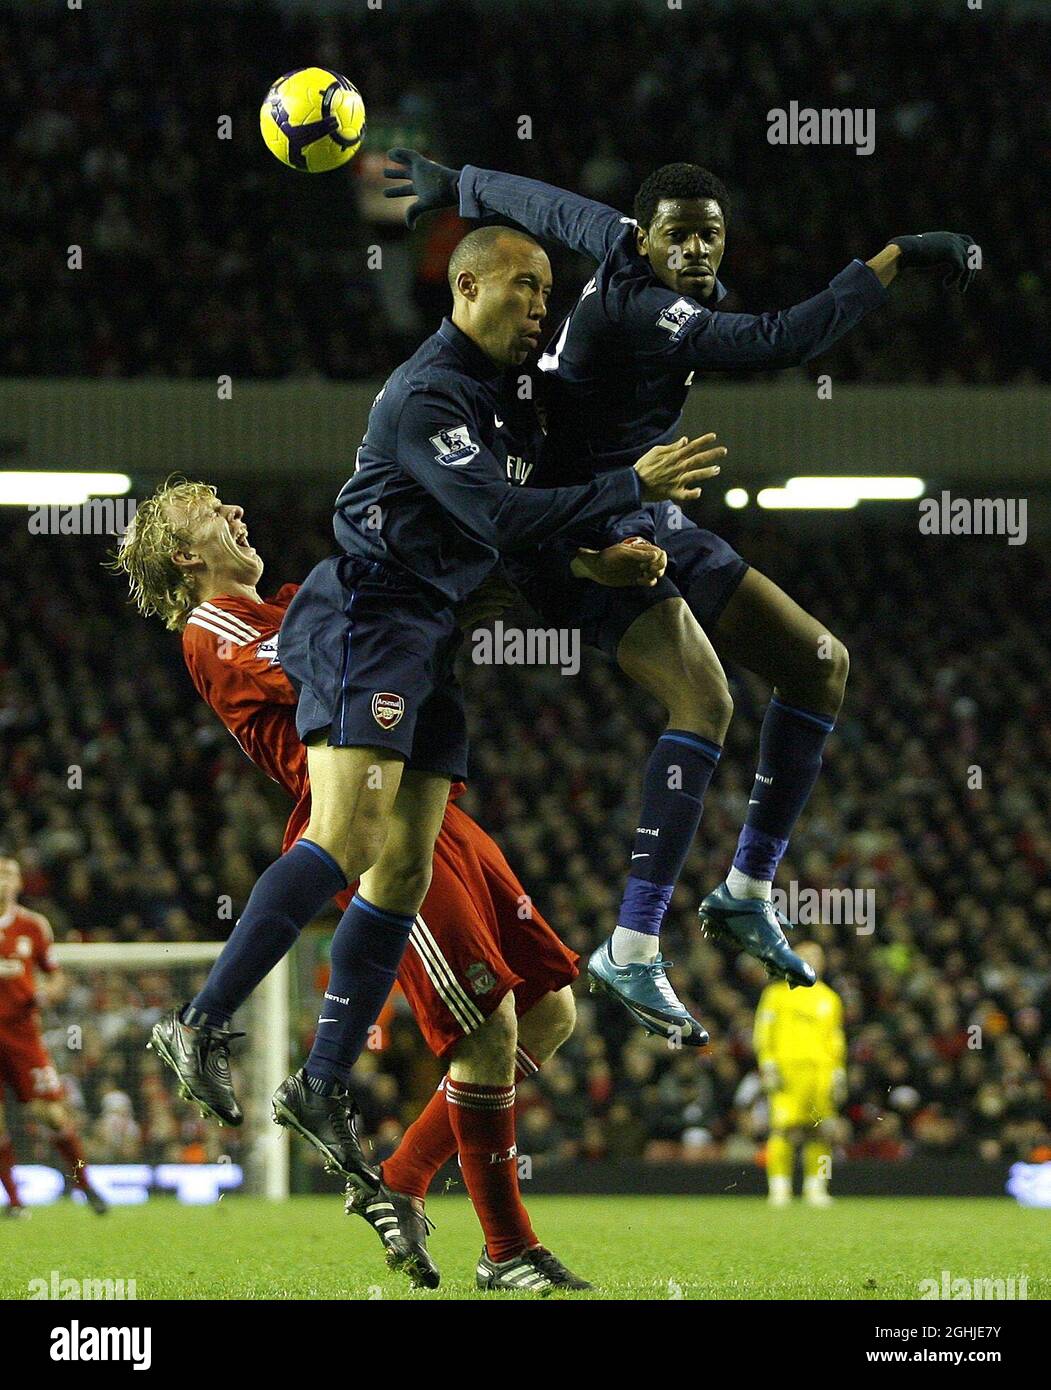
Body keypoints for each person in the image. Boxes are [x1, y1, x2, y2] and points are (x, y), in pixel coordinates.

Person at [136, 225, 722, 1173]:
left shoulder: (499, 399)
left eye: (547, 289)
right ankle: (200, 1020)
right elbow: (479, 517)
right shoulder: (427, 395)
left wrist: (584, 556)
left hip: (429, 635)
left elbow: (484, 529)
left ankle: (322, 1079)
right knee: (351, 845)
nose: (542, 304)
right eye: (524, 286)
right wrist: (628, 485)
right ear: (464, 286)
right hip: (381, 619)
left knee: (396, 876)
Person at [384, 150, 975, 1039]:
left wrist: (452, 182)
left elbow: (535, 198)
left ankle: (744, 892)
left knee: (819, 663)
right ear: (650, 244)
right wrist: (888, 261)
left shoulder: (614, 234)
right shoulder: (642, 307)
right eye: (680, 237)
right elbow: (779, 341)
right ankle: (630, 945)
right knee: (704, 700)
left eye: (710, 236)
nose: (697, 252)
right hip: (586, 523)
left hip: (648, 508)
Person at [115, 491, 706, 1283]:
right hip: (377, 826)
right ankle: (506, 1249)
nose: (233, 508)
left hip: (438, 814)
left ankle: (402, 1178)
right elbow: (333, 674)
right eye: (207, 509)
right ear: (184, 556)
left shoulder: (293, 604)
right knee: (488, 1030)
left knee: (548, 1011)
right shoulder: (212, 628)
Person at [0, 857, 107, 1217]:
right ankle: (15, 1202)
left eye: (9, 875)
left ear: (18, 883)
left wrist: (48, 992)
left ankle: (87, 1185)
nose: (3, 881)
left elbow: (55, 974)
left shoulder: (33, 926)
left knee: (52, 1114)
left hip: (23, 1034)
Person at [754, 941, 846, 1207]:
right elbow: (763, 1033)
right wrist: (768, 1065)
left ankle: (815, 1188)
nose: (811, 961)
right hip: (788, 1071)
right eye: (805, 956)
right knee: (784, 1129)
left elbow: (835, 1040)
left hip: (821, 1073)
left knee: (821, 1131)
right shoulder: (776, 995)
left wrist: (838, 1072)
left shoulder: (830, 998)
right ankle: (779, 1188)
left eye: (816, 957)